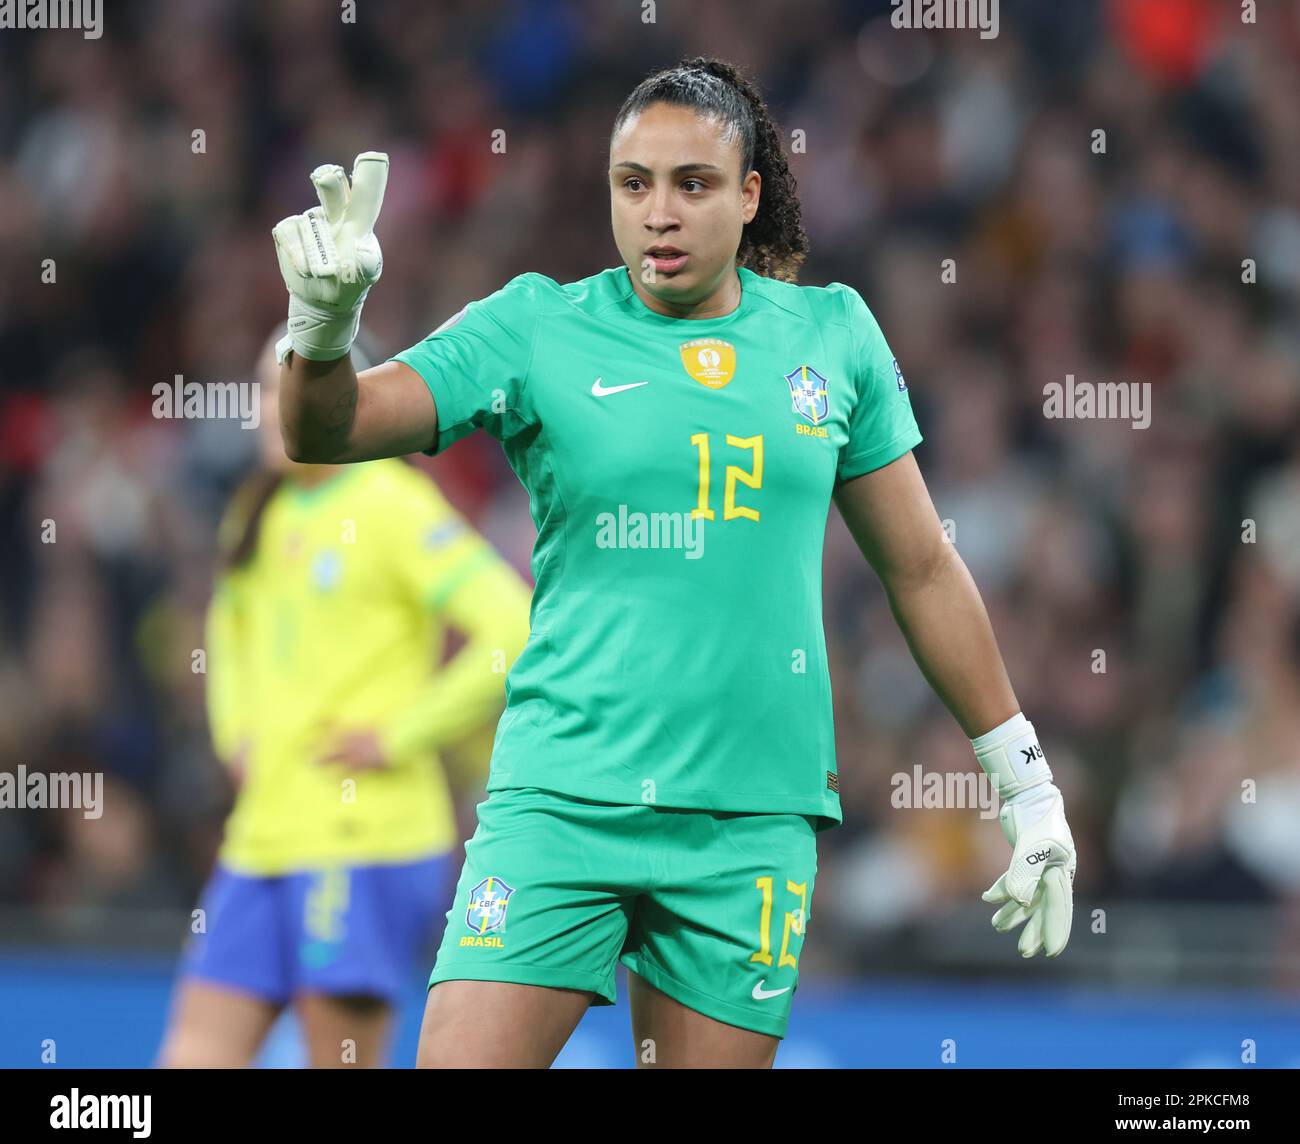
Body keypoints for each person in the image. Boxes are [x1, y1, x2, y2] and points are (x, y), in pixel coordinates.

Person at [269, 56, 1078, 1069]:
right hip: (562, 798)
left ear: (747, 197)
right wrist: (324, 328)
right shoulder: (535, 326)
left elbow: (919, 568)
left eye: (692, 184)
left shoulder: (832, 337)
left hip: (748, 823)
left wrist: (1024, 782)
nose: (659, 212)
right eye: (633, 183)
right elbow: (327, 429)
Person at [156, 332, 533, 1067]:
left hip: (364, 837)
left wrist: (399, 734)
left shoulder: (392, 505)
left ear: (335, 402)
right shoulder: (258, 508)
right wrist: (234, 732)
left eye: (286, 391)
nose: (269, 411)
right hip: (263, 833)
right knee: (192, 1053)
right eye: (263, 391)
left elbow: (513, 627)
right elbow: (227, 627)